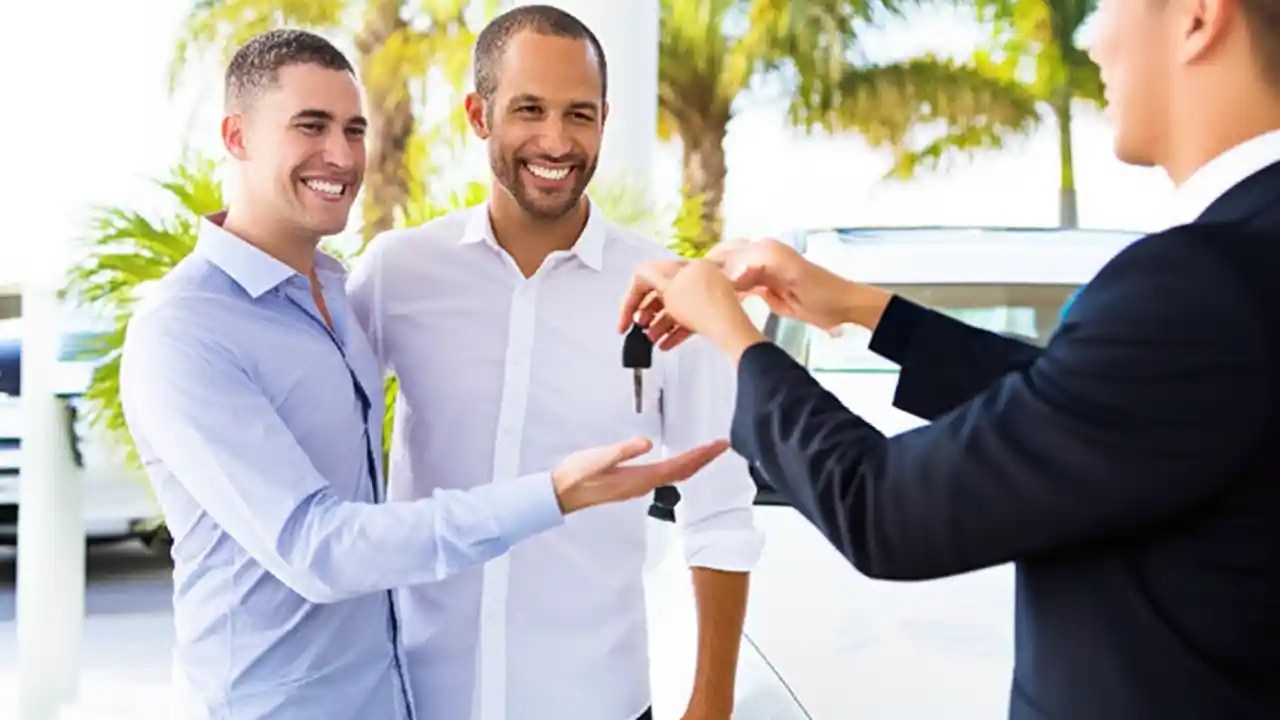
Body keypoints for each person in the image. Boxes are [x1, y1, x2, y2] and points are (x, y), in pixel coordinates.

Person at [619, 0, 1280, 717]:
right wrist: (863, 309)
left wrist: (732, 335)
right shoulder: (1244, 265)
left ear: (1196, 17)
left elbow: (882, 509)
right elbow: (1077, 405)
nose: (1093, 42)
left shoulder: (1193, 281)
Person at [119, 29, 728, 720]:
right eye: (310, 127)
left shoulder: (333, 293)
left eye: (354, 129)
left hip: (500, 700)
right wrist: (552, 493)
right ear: (236, 136)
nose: (342, 155)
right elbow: (319, 547)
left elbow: (722, 513)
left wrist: (711, 703)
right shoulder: (191, 326)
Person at [346, 6, 762, 720]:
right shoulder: (397, 275)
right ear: (479, 114)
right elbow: (327, 478)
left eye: (580, 114)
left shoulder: (671, 291)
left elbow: (720, 512)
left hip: (598, 701)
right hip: (417, 701)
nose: (556, 140)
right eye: (529, 110)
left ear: (605, 118)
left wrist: (711, 706)